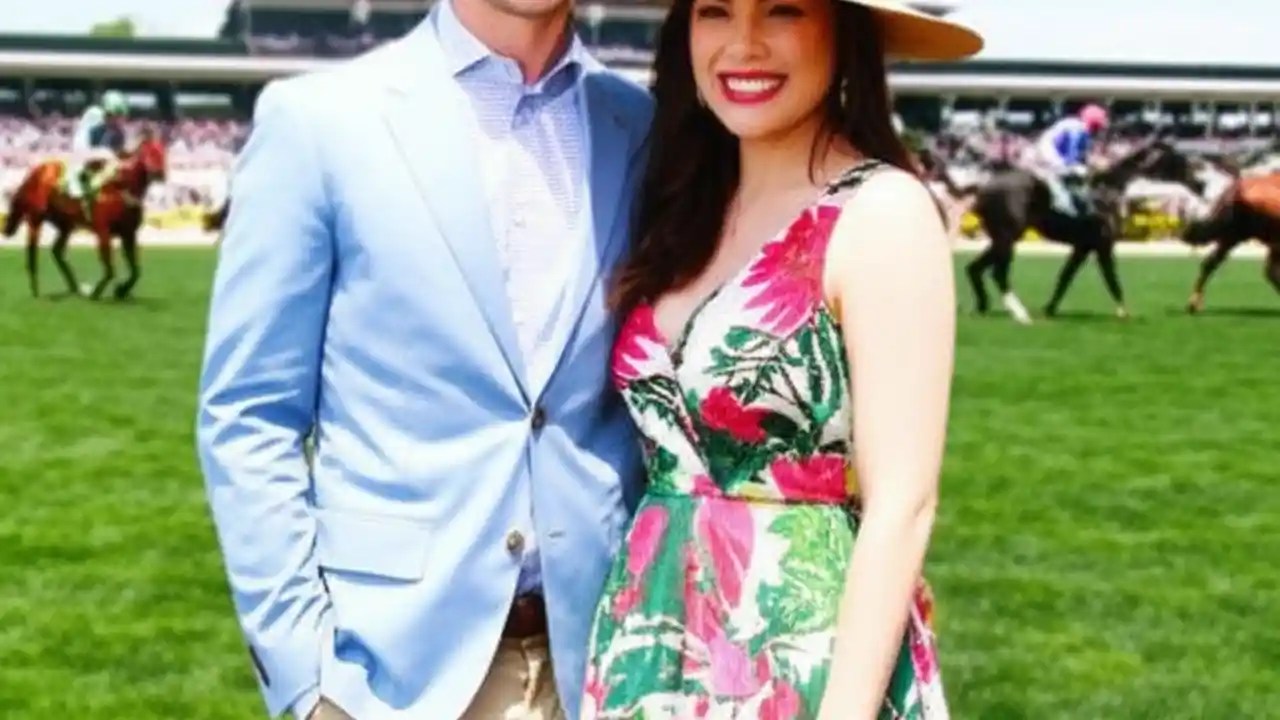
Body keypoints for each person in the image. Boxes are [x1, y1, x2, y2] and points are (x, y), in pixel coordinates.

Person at [194, 0, 652, 715]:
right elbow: (249, 414)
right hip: (388, 677)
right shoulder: (321, 121)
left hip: (602, 661)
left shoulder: (643, 125)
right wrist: (305, 679)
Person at [580, 0, 982, 718]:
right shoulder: (682, 207)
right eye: (715, 11)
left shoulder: (880, 213)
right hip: (652, 637)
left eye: (783, 10)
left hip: (803, 651)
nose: (743, 43)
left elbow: (903, 505)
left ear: (843, 34)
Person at [1031, 103, 1110, 215]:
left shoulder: (1084, 131)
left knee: (1077, 172)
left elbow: (1082, 157)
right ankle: (1063, 206)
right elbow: (1071, 156)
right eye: (1099, 126)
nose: (1099, 130)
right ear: (1093, 123)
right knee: (1070, 172)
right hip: (1049, 151)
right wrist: (1079, 168)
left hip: (1056, 153)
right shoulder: (1077, 128)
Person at [67, 89, 129, 217]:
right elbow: (82, 151)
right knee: (79, 175)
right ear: (109, 114)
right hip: (85, 155)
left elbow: (120, 155)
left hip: (103, 162)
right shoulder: (92, 122)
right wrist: (104, 154)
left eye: (122, 116)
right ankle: (78, 204)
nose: (121, 120)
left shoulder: (120, 132)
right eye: (118, 116)